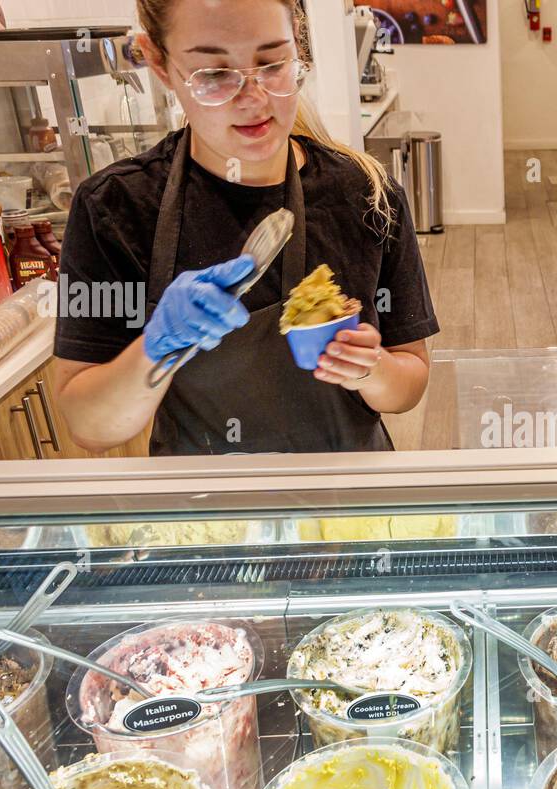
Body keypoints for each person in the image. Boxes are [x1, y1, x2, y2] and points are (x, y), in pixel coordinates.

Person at [53, 0, 436, 455]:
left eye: (273, 63)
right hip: (208, 513)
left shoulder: (368, 195)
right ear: (158, 61)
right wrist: (156, 349)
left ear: (297, 43)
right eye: (214, 75)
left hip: (344, 506)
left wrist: (371, 368)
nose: (253, 99)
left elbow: (410, 382)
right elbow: (91, 429)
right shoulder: (116, 207)